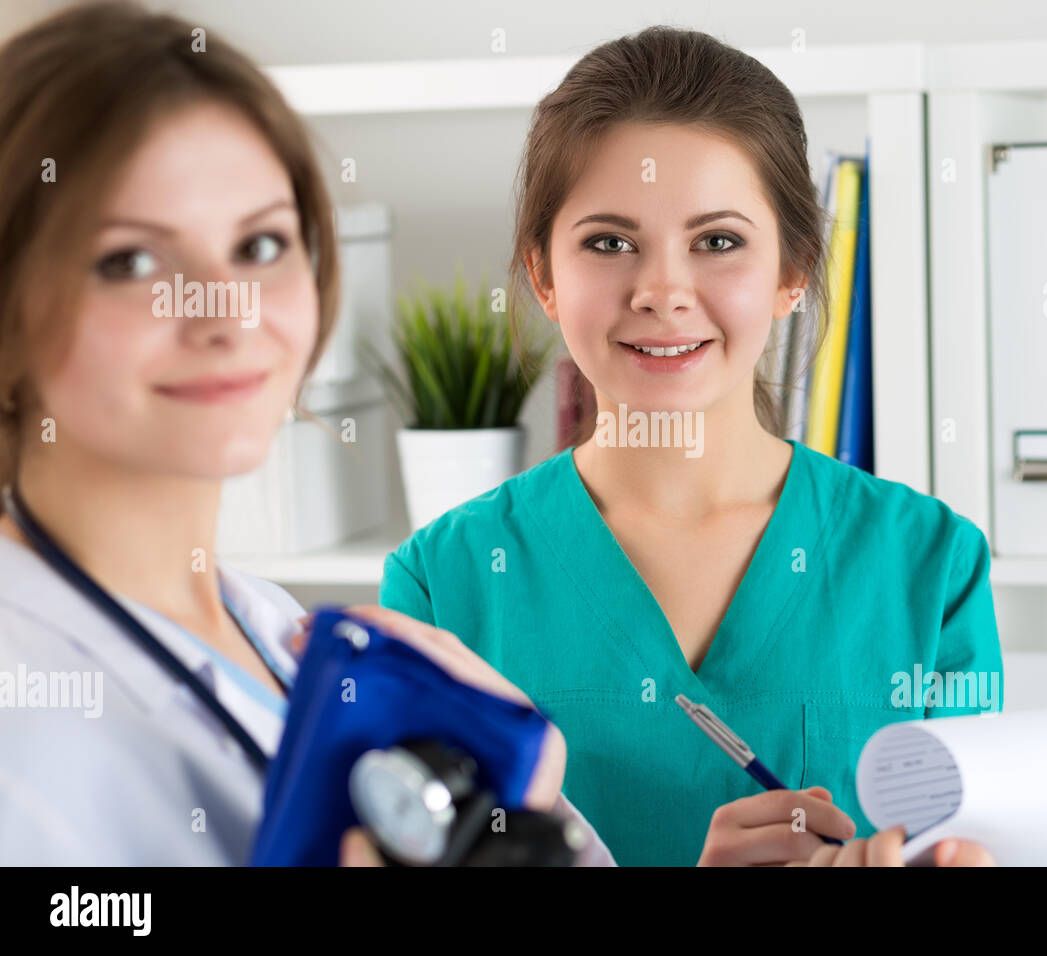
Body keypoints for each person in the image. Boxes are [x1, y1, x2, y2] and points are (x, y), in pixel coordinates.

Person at [0, 0, 611, 867]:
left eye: (259, 246)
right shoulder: (22, 720)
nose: (227, 309)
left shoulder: (273, 627)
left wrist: (531, 802)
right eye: (132, 260)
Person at [380, 26, 1001, 866]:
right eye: (608, 242)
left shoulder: (932, 569)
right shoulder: (443, 584)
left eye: (718, 242)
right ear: (544, 277)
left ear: (793, 271)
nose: (662, 292)